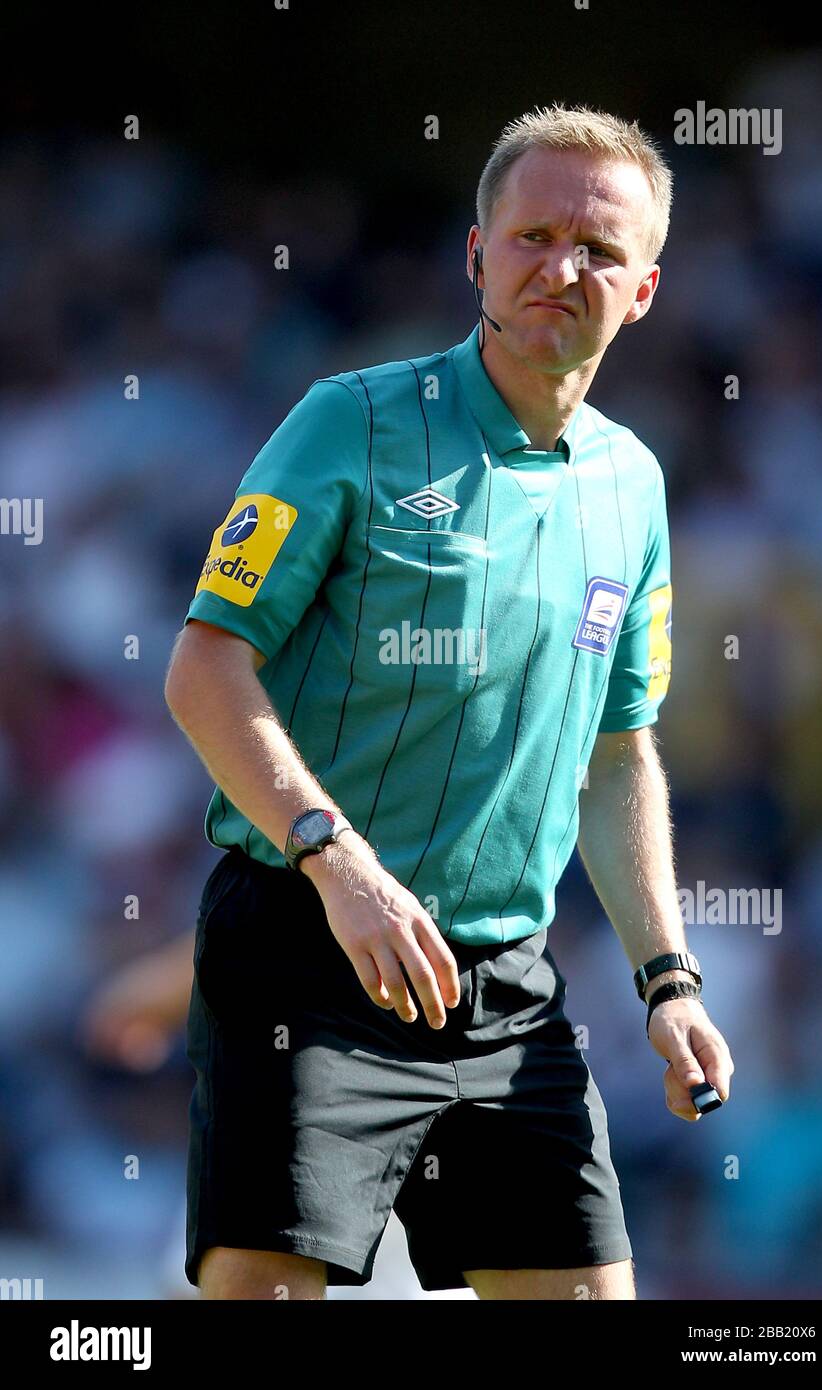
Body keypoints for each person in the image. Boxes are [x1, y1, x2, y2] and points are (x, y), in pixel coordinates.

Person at [164, 102, 734, 1302]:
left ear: (641, 292)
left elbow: (617, 753)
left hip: (504, 986)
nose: (558, 267)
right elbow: (203, 666)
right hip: (308, 947)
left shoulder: (630, 484)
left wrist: (668, 981)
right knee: (262, 1290)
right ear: (476, 256)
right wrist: (337, 861)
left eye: (597, 251)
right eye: (530, 237)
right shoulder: (350, 421)